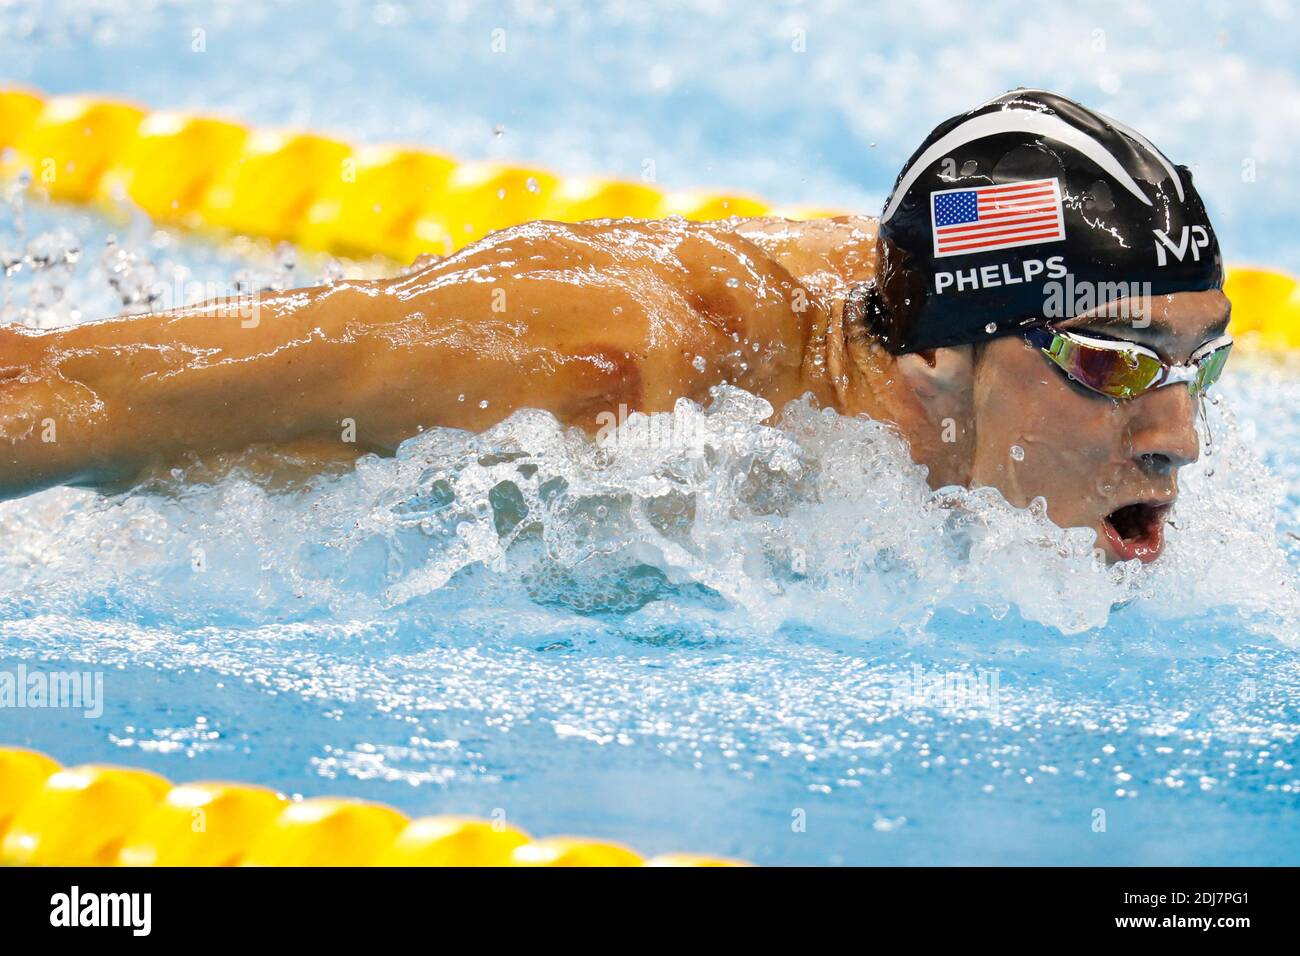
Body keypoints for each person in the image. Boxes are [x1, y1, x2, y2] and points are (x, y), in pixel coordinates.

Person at [0, 89, 1230, 562]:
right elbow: (69, 397)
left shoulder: (927, 330)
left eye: (1197, 360)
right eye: (1113, 361)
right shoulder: (603, 366)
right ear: (937, 366)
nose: (1178, 436)